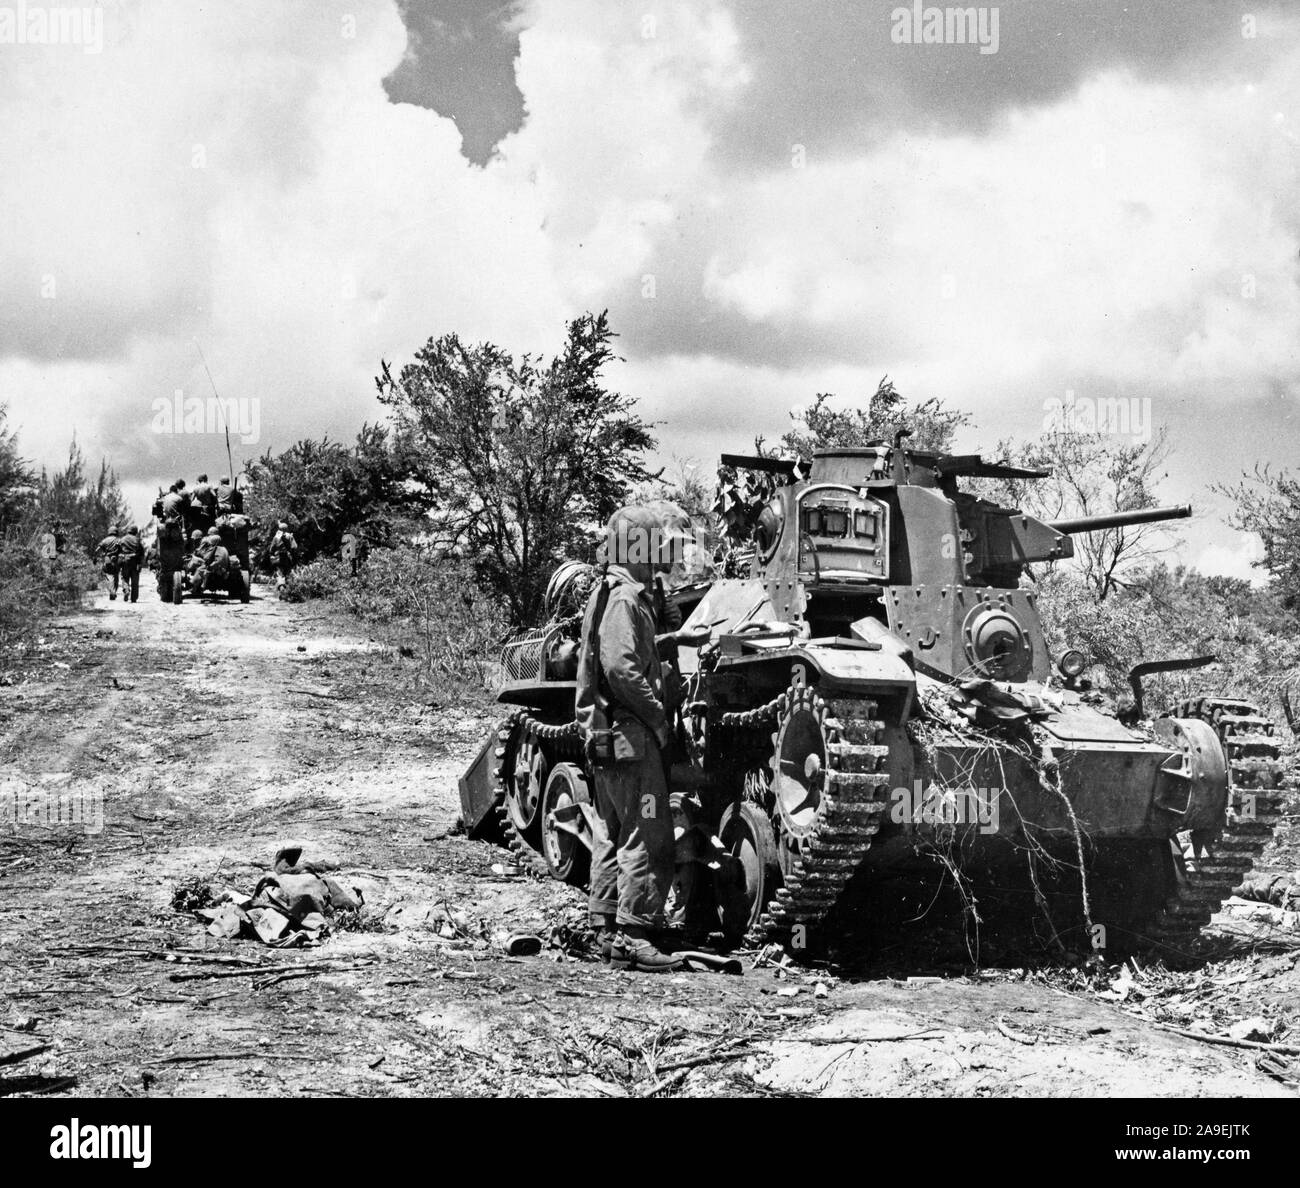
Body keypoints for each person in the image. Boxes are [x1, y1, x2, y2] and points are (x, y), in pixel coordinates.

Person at [575, 505, 709, 973]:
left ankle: (608, 929)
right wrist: (657, 716)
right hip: (631, 733)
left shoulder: (612, 592)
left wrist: (669, 642)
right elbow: (620, 667)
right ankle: (635, 934)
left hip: (608, 736)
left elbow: (623, 655)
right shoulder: (627, 598)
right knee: (647, 831)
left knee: (612, 828)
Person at [116, 525, 145, 604]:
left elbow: (117, 550)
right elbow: (142, 552)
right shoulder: (137, 540)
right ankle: (134, 598)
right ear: (135, 531)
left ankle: (126, 590)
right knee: (135, 581)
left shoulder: (122, 539)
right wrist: (140, 563)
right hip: (135, 561)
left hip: (124, 560)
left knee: (125, 578)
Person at [268, 521, 297, 593]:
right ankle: (288, 590)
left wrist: (272, 554)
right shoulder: (290, 536)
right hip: (287, 557)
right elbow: (294, 547)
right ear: (287, 529)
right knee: (288, 572)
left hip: (278, 557)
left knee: (279, 573)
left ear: (279, 529)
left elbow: (272, 548)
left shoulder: (276, 537)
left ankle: (281, 587)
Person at [96, 524, 123, 600]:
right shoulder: (119, 540)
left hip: (107, 559)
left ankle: (112, 591)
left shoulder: (105, 540)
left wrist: (97, 556)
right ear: (116, 532)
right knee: (116, 576)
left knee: (109, 576)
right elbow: (123, 549)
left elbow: (97, 549)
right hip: (116, 560)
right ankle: (113, 591)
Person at [188, 473, 216, 537]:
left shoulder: (195, 488)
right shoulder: (209, 486)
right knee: (211, 525)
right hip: (208, 508)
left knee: (202, 526)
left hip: (200, 509)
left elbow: (191, 499)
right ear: (205, 479)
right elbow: (214, 495)